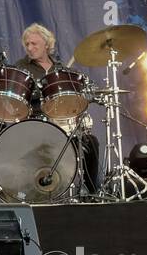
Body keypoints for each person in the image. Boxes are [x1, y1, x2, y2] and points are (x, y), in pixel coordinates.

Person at [13, 22, 100, 194]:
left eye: (34, 44)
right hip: (36, 123)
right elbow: (18, 102)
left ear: (47, 44)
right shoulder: (21, 68)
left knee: (91, 142)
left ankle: (92, 193)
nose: (29, 48)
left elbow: (73, 100)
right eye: (27, 44)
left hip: (62, 124)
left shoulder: (61, 70)